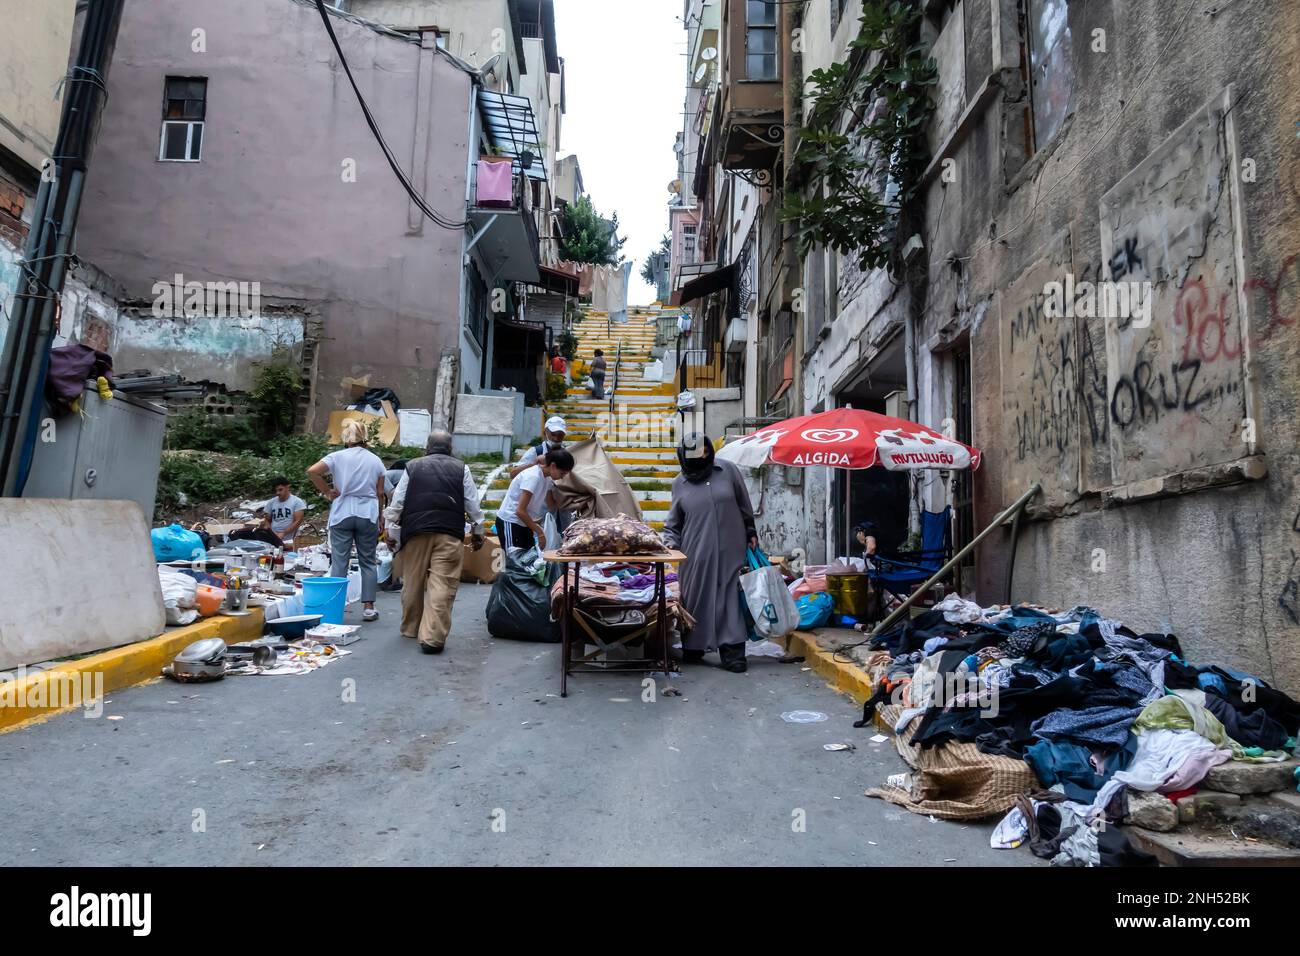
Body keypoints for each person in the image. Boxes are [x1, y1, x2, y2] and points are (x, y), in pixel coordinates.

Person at [662, 432, 757, 673]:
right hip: (695, 551)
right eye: (695, 453)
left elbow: (744, 504)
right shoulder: (679, 483)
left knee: (730, 598)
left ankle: (732, 651)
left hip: (731, 547)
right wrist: (671, 545)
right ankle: (694, 646)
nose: (702, 456)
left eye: (705, 451)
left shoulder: (728, 471)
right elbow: (673, 524)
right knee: (696, 598)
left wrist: (750, 530)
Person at [383, 430, 484, 654]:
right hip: (449, 532)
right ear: (450, 448)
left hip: (415, 532)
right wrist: (478, 530)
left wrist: (390, 529)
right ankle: (432, 638)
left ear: (427, 447)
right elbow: (472, 503)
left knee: (412, 581)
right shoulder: (461, 468)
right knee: (442, 584)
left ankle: (410, 628)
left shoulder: (413, 466)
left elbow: (398, 500)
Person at [307, 419, 387, 622]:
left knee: (340, 561)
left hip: (342, 511)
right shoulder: (375, 460)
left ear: (347, 439)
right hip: (367, 512)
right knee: (367, 561)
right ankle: (369, 607)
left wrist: (327, 491)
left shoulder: (336, 457)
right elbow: (380, 493)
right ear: (365, 439)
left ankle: (336, 606)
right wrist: (381, 517)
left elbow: (312, 471)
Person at [496, 448, 575, 552]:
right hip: (511, 521)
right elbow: (520, 511)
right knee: (513, 561)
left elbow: (550, 503)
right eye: (562, 473)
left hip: (524, 523)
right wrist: (539, 532)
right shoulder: (533, 476)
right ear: (553, 466)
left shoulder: (546, 478)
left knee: (528, 560)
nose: (562, 477)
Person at [260, 476, 307, 547]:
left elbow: (298, 521)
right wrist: (271, 533)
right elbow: (267, 520)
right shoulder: (271, 502)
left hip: (291, 539)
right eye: (276, 491)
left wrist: (283, 533)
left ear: (287, 487)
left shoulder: (297, 502)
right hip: (273, 537)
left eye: (280, 490)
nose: (278, 493)